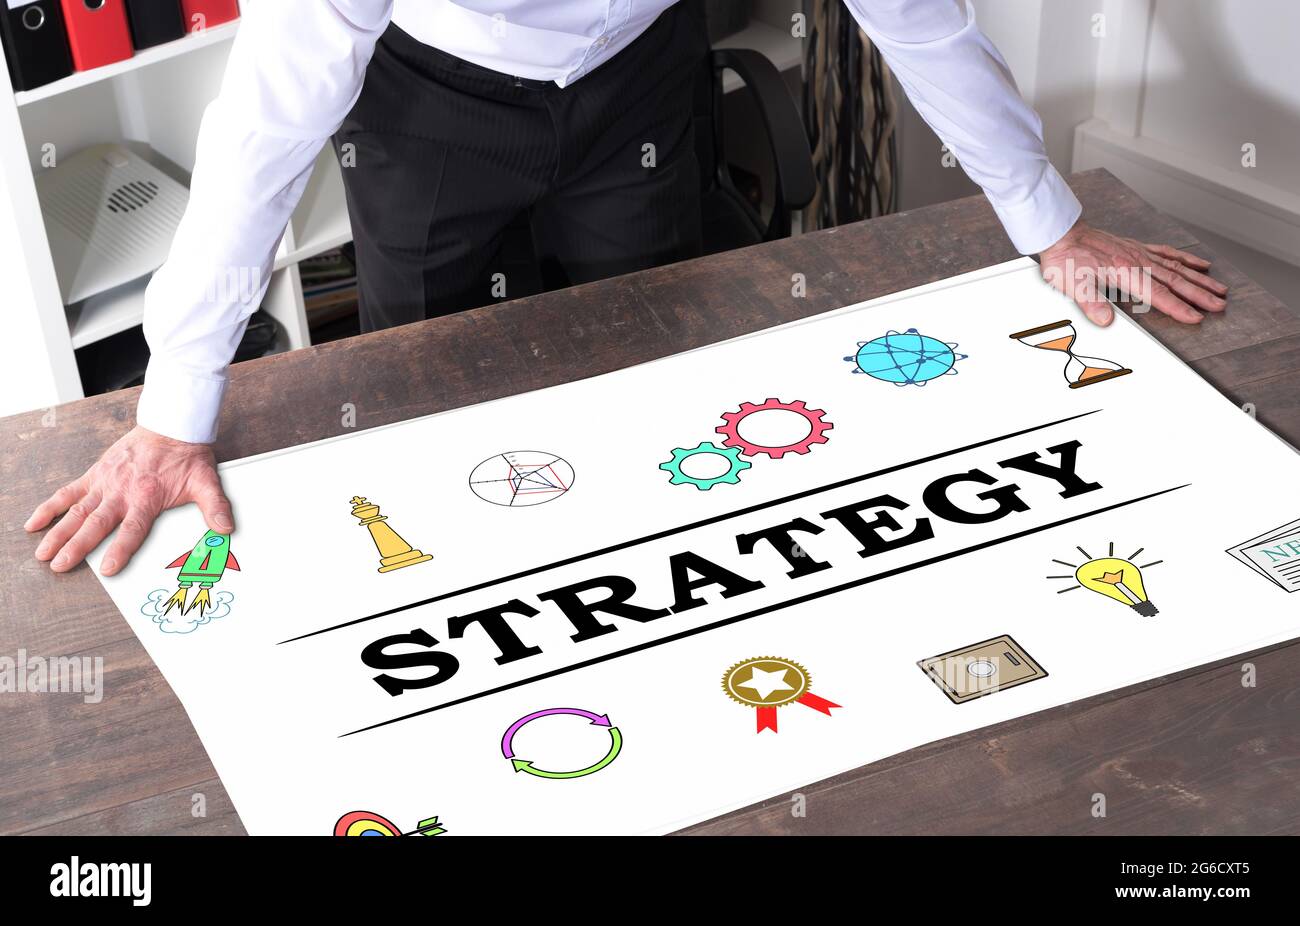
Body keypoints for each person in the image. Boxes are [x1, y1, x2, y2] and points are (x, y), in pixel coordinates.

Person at [25, 0, 1228, 575]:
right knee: (438, 399)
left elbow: (914, 20)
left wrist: (1049, 224)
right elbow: (260, 137)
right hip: (432, 96)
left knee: (654, 358)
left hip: (637, 75)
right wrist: (170, 415)